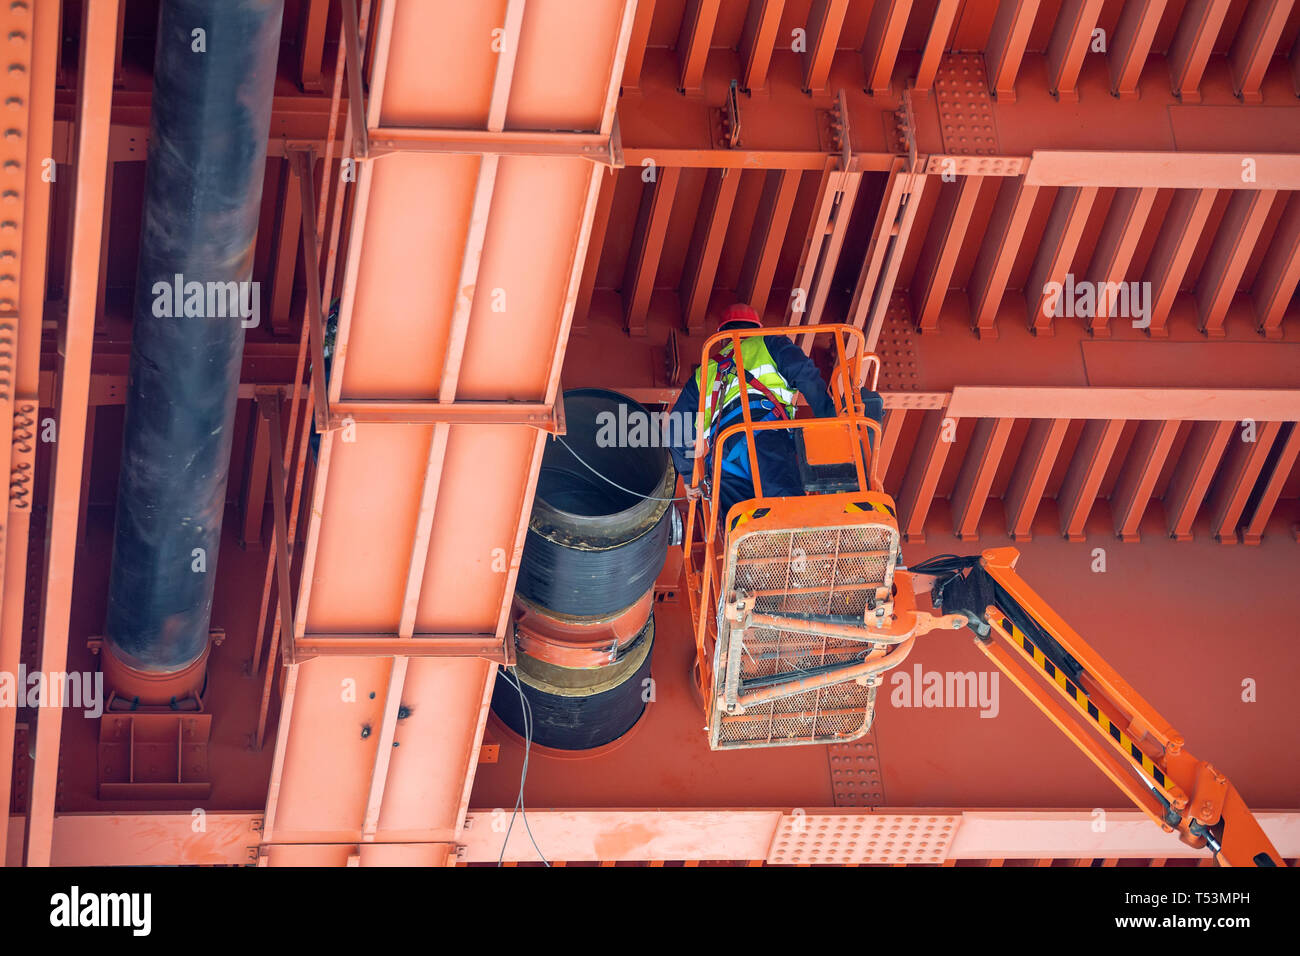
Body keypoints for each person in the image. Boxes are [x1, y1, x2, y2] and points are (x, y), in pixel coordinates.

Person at [669, 303, 838, 520]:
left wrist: (688, 474)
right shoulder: (769, 342)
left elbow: (676, 429)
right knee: (786, 512)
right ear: (757, 328)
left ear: (722, 338)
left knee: (741, 528)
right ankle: (795, 552)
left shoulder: (705, 371)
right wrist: (830, 418)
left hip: (724, 458)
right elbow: (805, 375)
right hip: (765, 435)